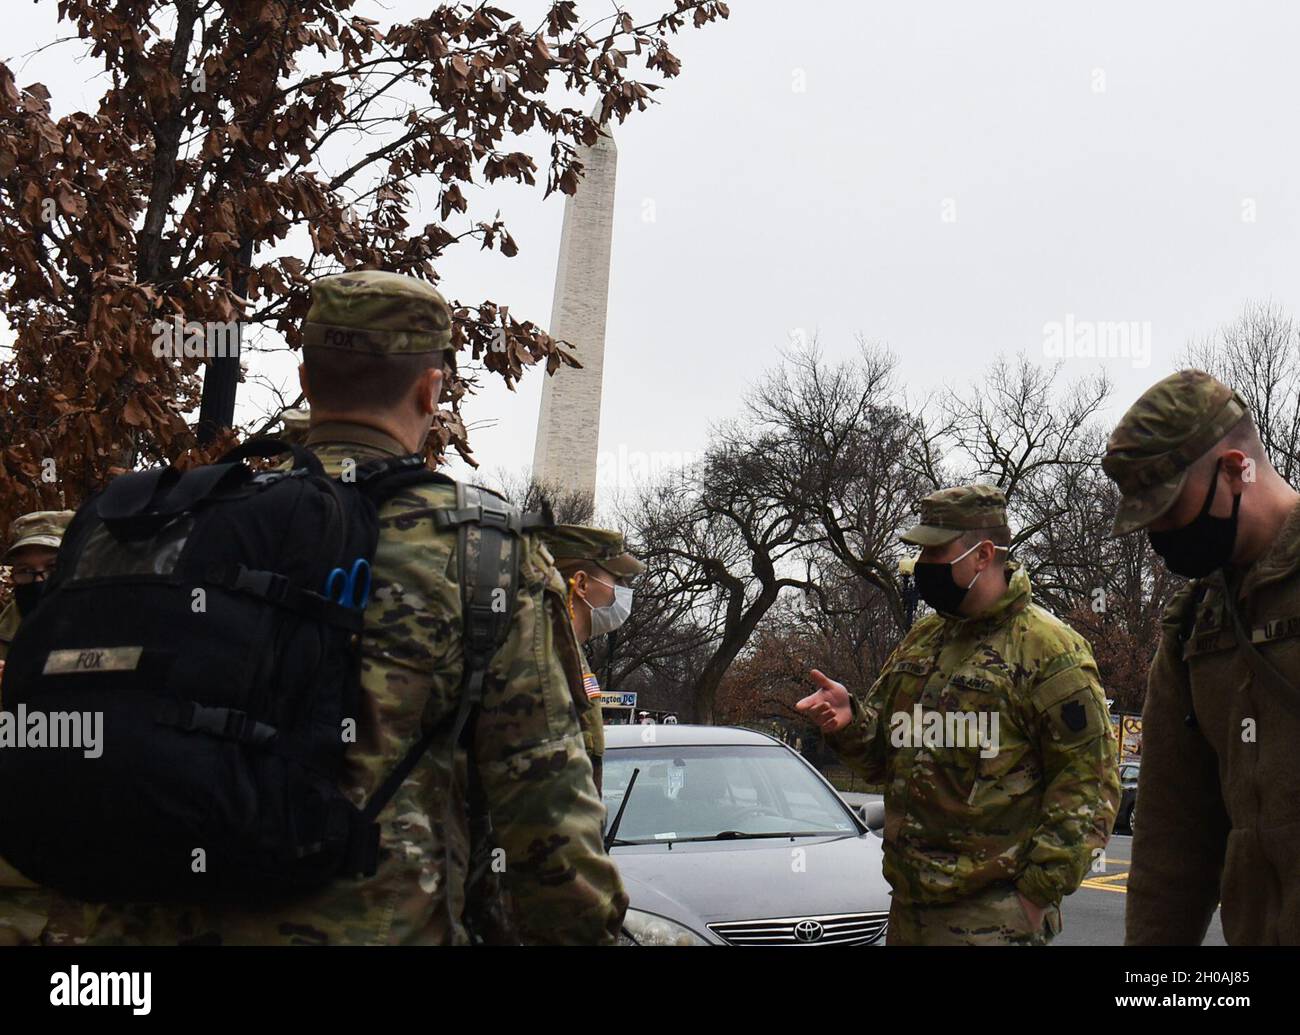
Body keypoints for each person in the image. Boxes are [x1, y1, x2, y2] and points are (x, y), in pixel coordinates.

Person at [86, 269, 626, 945]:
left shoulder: (184, 524)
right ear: (432, 391)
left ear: (307, 383)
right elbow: (548, 831)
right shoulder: (488, 557)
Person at [797, 483, 1119, 945]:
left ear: (983, 554)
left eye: (935, 553)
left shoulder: (1048, 649)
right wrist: (850, 723)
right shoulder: (925, 638)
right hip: (909, 912)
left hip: (993, 920)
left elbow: (1090, 785)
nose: (922, 566)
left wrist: (1032, 898)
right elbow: (883, 760)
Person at [1102, 369, 1300, 945]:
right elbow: (1171, 843)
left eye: (1170, 506)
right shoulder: (1194, 625)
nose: (1160, 533)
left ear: (1238, 468)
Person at [0, 509, 77, 946]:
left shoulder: (105, 621)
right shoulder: (6, 627)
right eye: (25, 572)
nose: (37, 581)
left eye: (50, 569)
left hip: (78, 867)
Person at [540, 524, 643, 795]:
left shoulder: (569, 658)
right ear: (582, 584)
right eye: (618, 581)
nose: (622, 591)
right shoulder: (542, 662)